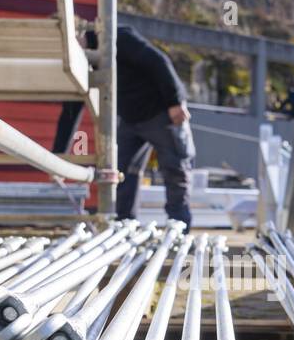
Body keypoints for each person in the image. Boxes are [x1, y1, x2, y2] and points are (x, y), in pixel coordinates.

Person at [58, 27, 195, 226]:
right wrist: (58, 154)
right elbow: (71, 109)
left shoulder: (116, 38)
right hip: (130, 120)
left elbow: (158, 61)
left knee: (175, 168)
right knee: (121, 172)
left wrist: (175, 102)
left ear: (79, 33)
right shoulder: (81, 62)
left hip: (160, 113)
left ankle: (179, 224)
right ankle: (124, 223)